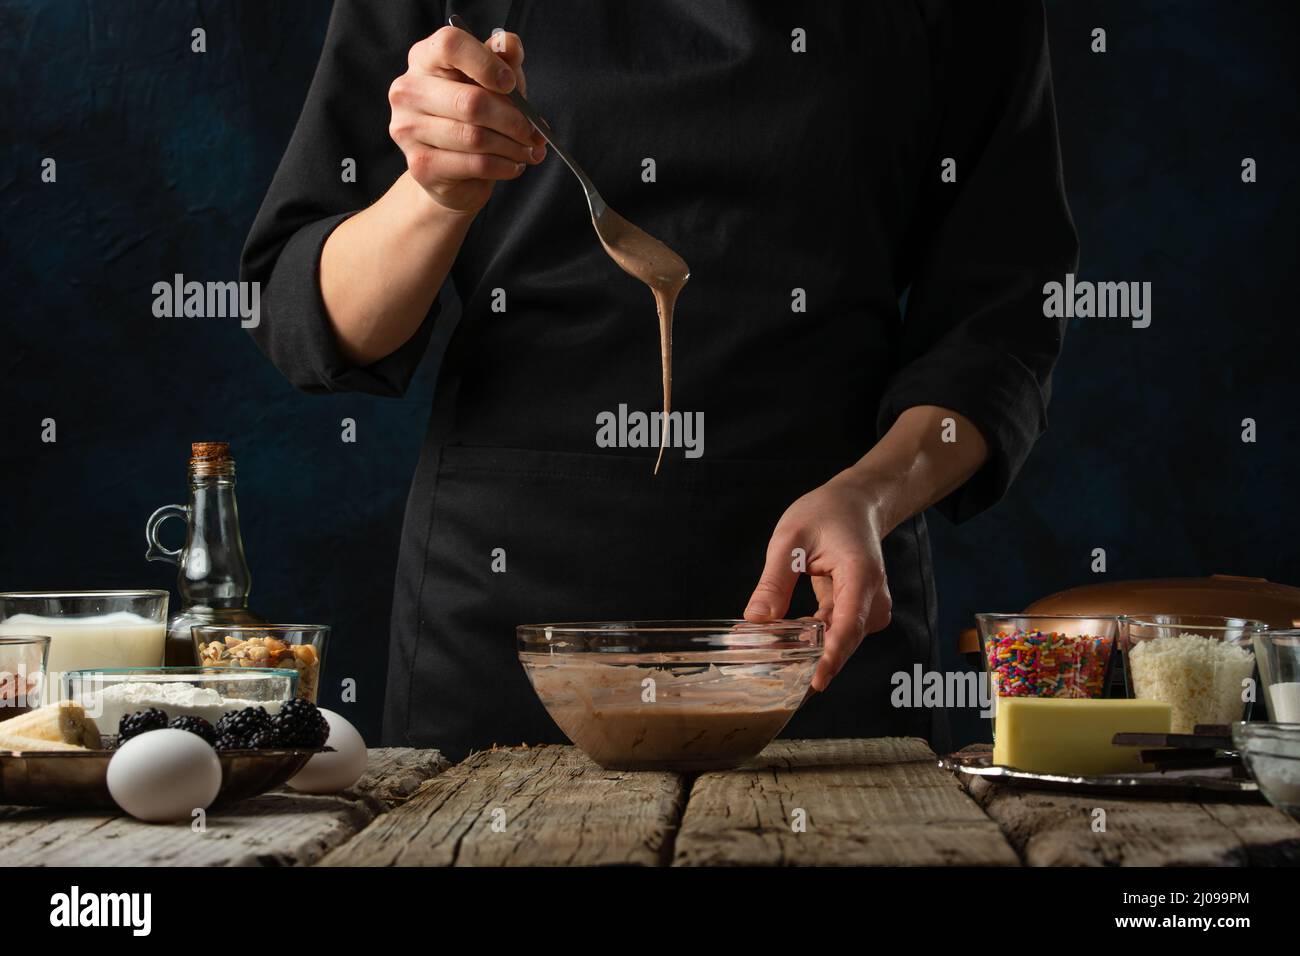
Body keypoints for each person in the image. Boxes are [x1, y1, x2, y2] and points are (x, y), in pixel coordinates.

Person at [242, 0, 1076, 760]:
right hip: (513, 609)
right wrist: (434, 195)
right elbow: (310, 321)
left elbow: (1000, 317)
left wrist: (873, 494)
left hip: (818, 611)